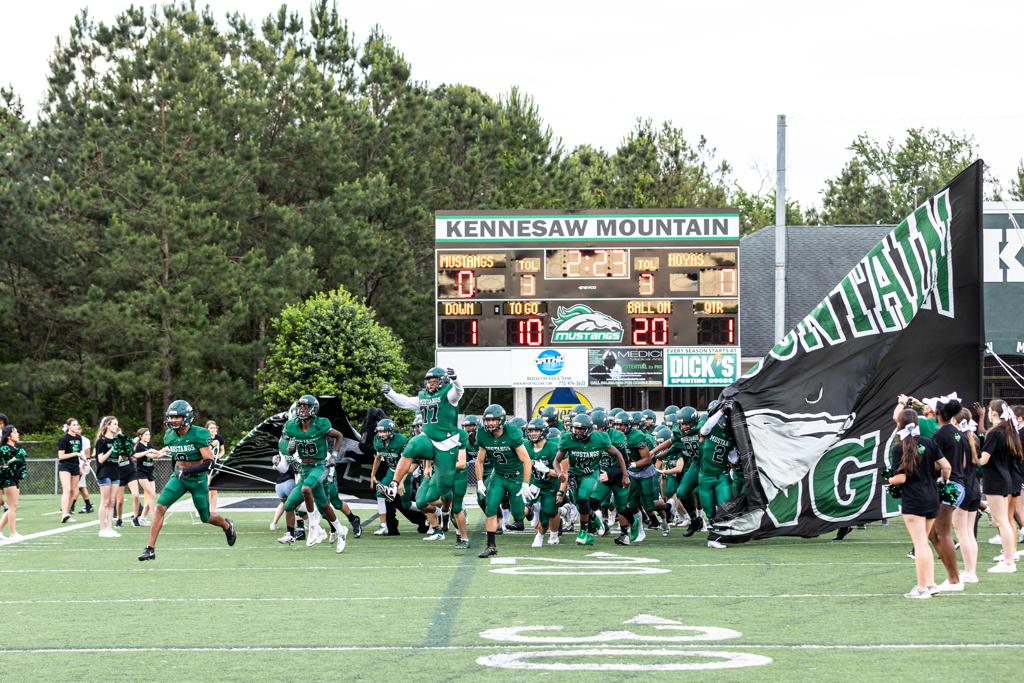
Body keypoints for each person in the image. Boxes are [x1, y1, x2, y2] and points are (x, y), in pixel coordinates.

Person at [138, 400, 237, 561]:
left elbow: (209, 463)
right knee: (160, 507)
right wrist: (176, 472)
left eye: (177, 417)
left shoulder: (199, 434)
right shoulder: (170, 435)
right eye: (172, 417)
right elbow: (175, 458)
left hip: (197, 480)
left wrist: (187, 471)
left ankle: (227, 525)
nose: (173, 420)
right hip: (179, 477)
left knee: (206, 517)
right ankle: (150, 549)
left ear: (187, 417)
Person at [382, 367, 464, 516]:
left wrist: (456, 380)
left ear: (443, 382)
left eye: (435, 381)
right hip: (428, 438)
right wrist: (390, 393)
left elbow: (459, 392)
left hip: (446, 443)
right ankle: (393, 484)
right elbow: (405, 402)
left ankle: (446, 509)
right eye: (429, 381)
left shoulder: (449, 394)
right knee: (411, 446)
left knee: (445, 486)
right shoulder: (424, 396)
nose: (431, 384)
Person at [887, 409, 951, 598]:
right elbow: (946, 466)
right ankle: (930, 584)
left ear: (900, 424)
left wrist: (889, 480)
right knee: (925, 542)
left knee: (920, 543)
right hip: (932, 498)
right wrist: (942, 480)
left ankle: (922, 588)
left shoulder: (899, 448)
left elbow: (900, 478)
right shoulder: (929, 443)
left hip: (914, 500)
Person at [277, 395, 349, 552]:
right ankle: (339, 529)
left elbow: (339, 436)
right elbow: (291, 450)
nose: (302, 409)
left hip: (320, 466)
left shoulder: (320, 424)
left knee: (306, 489)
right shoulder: (292, 426)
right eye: (300, 406)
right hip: (304, 469)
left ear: (313, 409)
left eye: (306, 406)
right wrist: (291, 447)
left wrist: (334, 455)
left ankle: (314, 526)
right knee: (292, 505)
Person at [554, 413, 623, 546]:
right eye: (575, 428)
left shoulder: (600, 438)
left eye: (581, 429)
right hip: (575, 473)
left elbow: (618, 454)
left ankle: (583, 532)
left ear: (590, 429)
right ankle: (594, 518)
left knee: (583, 497)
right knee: (580, 506)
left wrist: (625, 475)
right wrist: (559, 473)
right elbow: (556, 461)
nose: (578, 431)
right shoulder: (567, 439)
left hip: (591, 473)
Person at [474, 404, 533, 558]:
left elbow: (526, 461)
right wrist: (480, 481)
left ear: (501, 420)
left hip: (516, 476)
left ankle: (528, 510)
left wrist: (525, 483)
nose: (490, 423)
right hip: (498, 476)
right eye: (488, 420)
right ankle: (491, 546)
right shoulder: (483, 434)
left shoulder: (512, 433)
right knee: (490, 508)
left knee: (518, 514)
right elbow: (479, 461)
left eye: (493, 420)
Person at [977, 399, 1024, 573]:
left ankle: (1009, 561)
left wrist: (970, 454)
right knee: (1005, 520)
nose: (988, 413)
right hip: (1005, 478)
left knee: (1002, 521)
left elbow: (983, 460)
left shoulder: (995, 432)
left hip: (995, 480)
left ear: (994, 413)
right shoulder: (1009, 431)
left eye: (989, 410)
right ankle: (1009, 557)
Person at [928, 396, 965, 591]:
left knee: (943, 533)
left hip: (950, 485)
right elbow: (964, 462)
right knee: (933, 533)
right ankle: (951, 576)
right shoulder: (957, 432)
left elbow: (938, 463)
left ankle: (954, 580)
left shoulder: (941, 434)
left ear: (938, 414)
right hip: (958, 485)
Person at [524, 418, 563, 547]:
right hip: (534, 484)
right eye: (531, 430)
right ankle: (532, 516)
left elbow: (561, 474)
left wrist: (547, 470)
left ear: (544, 431)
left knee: (548, 512)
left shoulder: (553, 448)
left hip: (551, 486)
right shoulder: (526, 447)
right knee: (521, 509)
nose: (533, 433)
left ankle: (546, 534)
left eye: (536, 430)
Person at [954, 407, 982, 582]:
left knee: (962, 532)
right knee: (969, 532)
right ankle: (971, 571)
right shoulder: (974, 439)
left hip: (963, 488)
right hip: (974, 488)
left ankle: (970, 572)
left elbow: (960, 466)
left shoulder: (960, 440)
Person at [93, 416, 123, 538]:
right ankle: (102, 529)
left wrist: (123, 451)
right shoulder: (101, 441)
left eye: (116, 424)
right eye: (114, 424)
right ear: (107, 426)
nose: (116, 426)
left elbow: (119, 460)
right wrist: (112, 449)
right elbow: (101, 459)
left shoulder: (117, 440)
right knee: (105, 501)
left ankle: (110, 528)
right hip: (104, 472)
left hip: (115, 472)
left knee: (112, 502)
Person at [0, 424, 27, 542]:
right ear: (9, 436)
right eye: (15, 432)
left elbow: (20, 465)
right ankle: (12, 533)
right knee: (12, 506)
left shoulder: (16, 449)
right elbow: (3, 465)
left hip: (15, 478)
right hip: (7, 478)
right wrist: (15, 460)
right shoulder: (3, 448)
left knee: (14, 506)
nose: (18, 434)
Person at [56, 418, 84, 523]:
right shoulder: (64, 439)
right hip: (65, 466)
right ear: (68, 426)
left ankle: (67, 513)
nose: (76, 426)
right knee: (67, 490)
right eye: (74, 425)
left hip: (75, 466)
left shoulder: (79, 438)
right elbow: (61, 456)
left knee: (74, 491)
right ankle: (64, 514)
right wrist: (75, 454)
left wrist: (81, 465)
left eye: (77, 425)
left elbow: (80, 453)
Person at [113, 424, 140, 528]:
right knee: (119, 501)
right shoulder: (112, 447)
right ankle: (119, 519)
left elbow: (133, 454)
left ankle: (135, 518)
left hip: (130, 472)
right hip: (119, 475)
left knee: (136, 495)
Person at [133, 428, 161, 525]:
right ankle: (155, 519)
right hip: (142, 473)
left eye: (149, 434)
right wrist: (150, 452)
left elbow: (154, 454)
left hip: (150, 473)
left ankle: (143, 518)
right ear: (140, 436)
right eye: (146, 435)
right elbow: (136, 455)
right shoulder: (139, 446)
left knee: (152, 496)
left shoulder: (148, 445)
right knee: (152, 495)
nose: (148, 436)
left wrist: (162, 451)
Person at [206, 421, 224, 514]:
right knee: (207, 487)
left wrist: (219, 456)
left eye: (214, 428)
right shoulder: (205, 438)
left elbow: (222, 451)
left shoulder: (219, 438)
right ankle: (203, 508)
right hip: (206, 464)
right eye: (211, 428)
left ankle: (213, 510)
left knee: (214, 488)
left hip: (215, 465)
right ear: (207, 429)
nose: (213, 430)